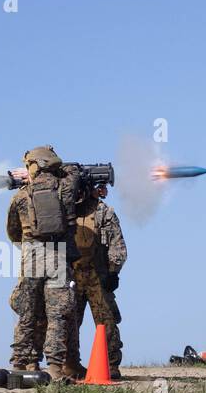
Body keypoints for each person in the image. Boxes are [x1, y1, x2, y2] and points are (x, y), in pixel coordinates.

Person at [7, 146, 77, 379]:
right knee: (57, 316)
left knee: (28, 314)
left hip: (31, 259)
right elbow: (74, 172)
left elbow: (12, 232)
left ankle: (22, 365)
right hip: (58, 257)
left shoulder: (20, 196)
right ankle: (55, 369)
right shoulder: (66, 188)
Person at [63, 178, 126, 379]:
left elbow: (117, 244)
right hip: (73, 274)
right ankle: (70, 365)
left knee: (106, 319)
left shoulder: (104, 212)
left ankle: (110, 365)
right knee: (69, 322)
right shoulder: (66, 212)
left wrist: (113, 271)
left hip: (97, 274)